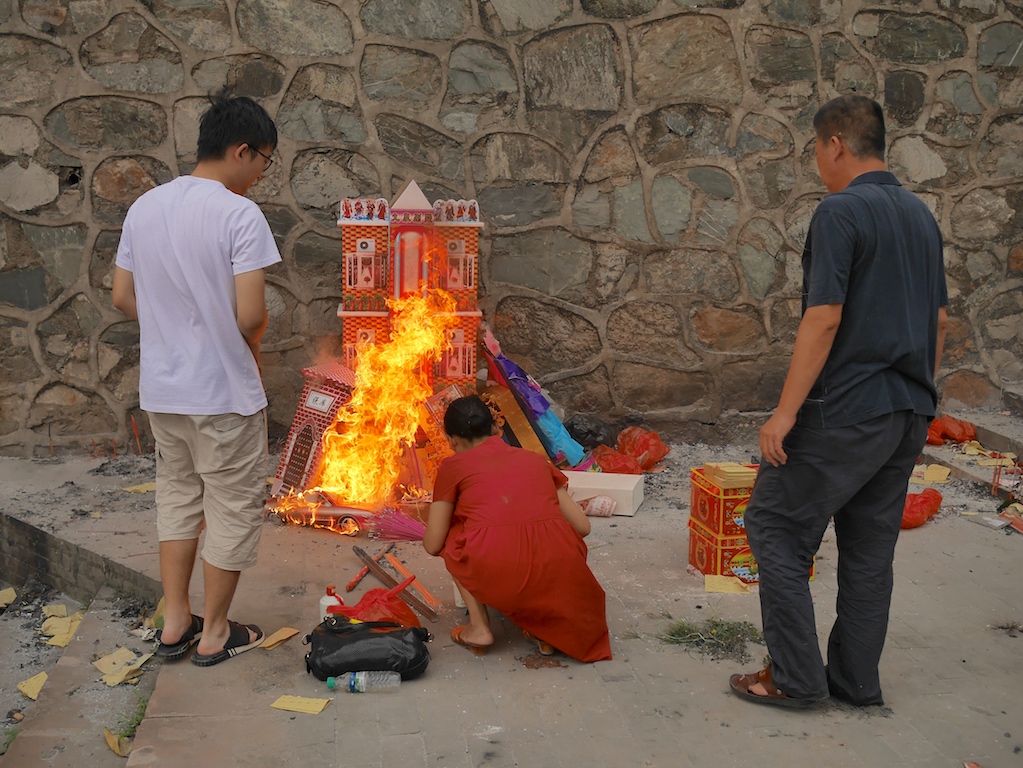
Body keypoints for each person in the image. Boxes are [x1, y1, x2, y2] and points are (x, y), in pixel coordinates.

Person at [729, 95, 948, 707]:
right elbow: (938, 322)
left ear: (834, 146)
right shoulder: (920, 217)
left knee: (773, 525)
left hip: (845, 411)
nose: (817, 163)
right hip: (906, 412)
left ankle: (796, 680)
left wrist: (786, 412)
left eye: (815, 151)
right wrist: (923, 399)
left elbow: (823, 318)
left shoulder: (840, 212)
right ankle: (855, 683)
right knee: (869, 553)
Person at [112, 92, 281, 667]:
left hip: (164, 391)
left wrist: (171, 326)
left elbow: (121, 296)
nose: (262, 174)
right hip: (223, 392)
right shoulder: (239, 214)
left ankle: (176, 618)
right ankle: (215, 632)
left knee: (179, 500)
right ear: (242, 150)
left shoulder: (144, 207)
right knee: (232, 505)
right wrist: (246, 348)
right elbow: (251, 316)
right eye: (264, 161)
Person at [423, 395, 612, 662]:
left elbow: (433, 544)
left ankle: (479, 628)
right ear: (495, 429)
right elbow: (582, 526)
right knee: (546, 540)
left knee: (453, 535)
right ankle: (546, 632)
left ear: (452, 440)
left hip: (498, 568)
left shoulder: (453, 467)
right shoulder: (535, 459)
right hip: (560, 566)